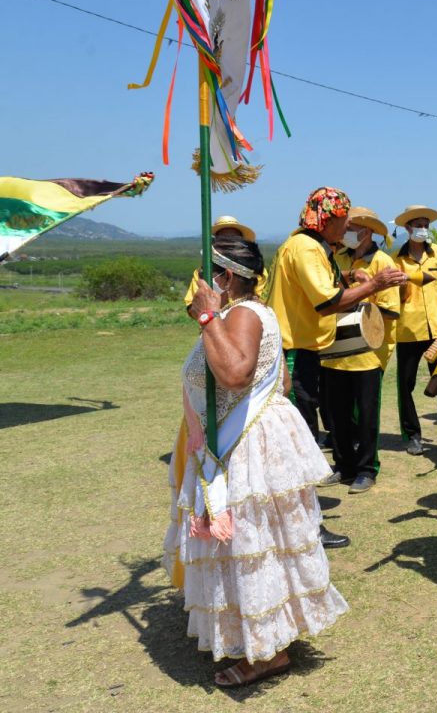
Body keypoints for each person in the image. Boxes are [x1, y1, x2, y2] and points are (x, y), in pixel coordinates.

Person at [164, 236, 348, 687]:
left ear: (226, 278)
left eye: (209, 273)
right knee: (253, 543)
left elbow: (236, 373)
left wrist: (209, 317)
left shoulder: (242, 314)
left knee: (251, 545)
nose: (201, 281)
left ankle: (267, 653)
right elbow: (281, 379)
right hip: (241, 440)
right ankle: (264, 636)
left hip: (243, 445)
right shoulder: (241, 314)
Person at [266, 187, 406, 548]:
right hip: (294, 354)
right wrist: (373, 284)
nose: (348, 228)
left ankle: (298, 519)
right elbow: (327, 302)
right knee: (300, 440)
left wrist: (353, 283)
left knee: (303, 436)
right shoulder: (308, 247)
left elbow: (318, 290)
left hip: (301, 351)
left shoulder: (305, 245)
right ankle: (304, 526)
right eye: (345, 221)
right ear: (329, 219)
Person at [319, 207, 401, 494]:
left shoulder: (383, 262)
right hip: (335, 348)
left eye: (352, 228)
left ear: (366, 232)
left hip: (368, 351)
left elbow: (391, 312)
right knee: (337, 413)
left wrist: (364, 293)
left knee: (366, 414)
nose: (346, 233)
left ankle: (367, 469)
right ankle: (344, 465)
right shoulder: (336, 257)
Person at [392, 204, 437, 455]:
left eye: (426, 225)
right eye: (418, 225)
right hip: (408, 330)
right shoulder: (396, 259)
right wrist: (402, 284)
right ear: (407, 227)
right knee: (405, 385)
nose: (423, 229)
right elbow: (395, 295)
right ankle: (412, 435)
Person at [183, 215, 269, 318]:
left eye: (233, 239)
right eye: (224, 240)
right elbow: (192, 308)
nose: (228, 244)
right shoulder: (203, 272)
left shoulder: (256, 272)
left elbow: (262, 300)